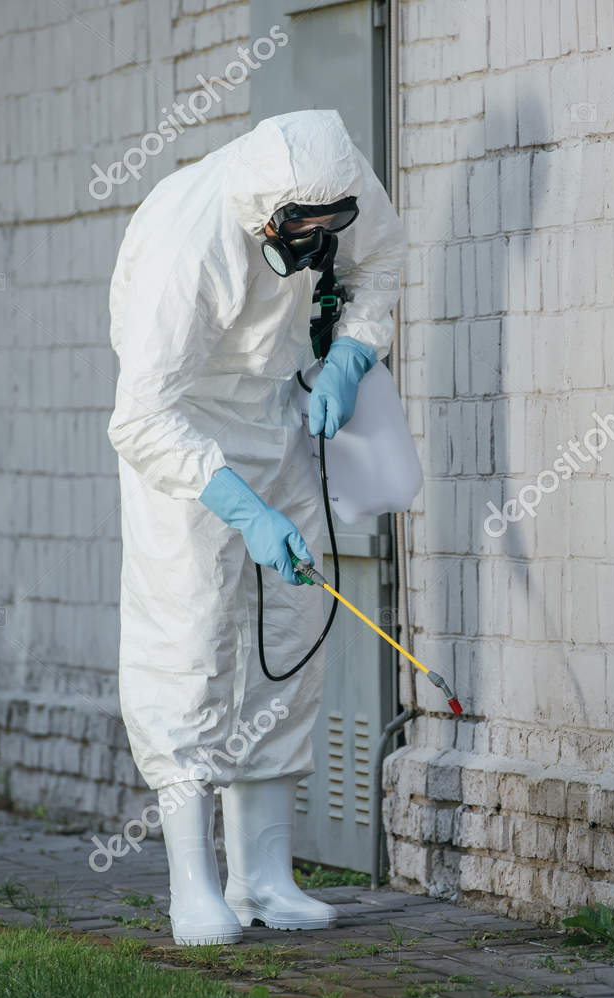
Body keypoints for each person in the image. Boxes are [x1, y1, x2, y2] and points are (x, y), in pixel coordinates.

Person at [107, 110, 405, 944]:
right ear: (263, 215)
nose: (315, 242)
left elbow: (381, 262)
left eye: (326, 229)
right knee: (193, 641)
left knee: (292, 626)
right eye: (299, 230)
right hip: (187, 435)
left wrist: (352, 351)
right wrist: (242, 508)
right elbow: (138, 418)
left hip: (279, 413)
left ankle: (264, 880)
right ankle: (191, 888)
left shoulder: (341, 182)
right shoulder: (187, 243)